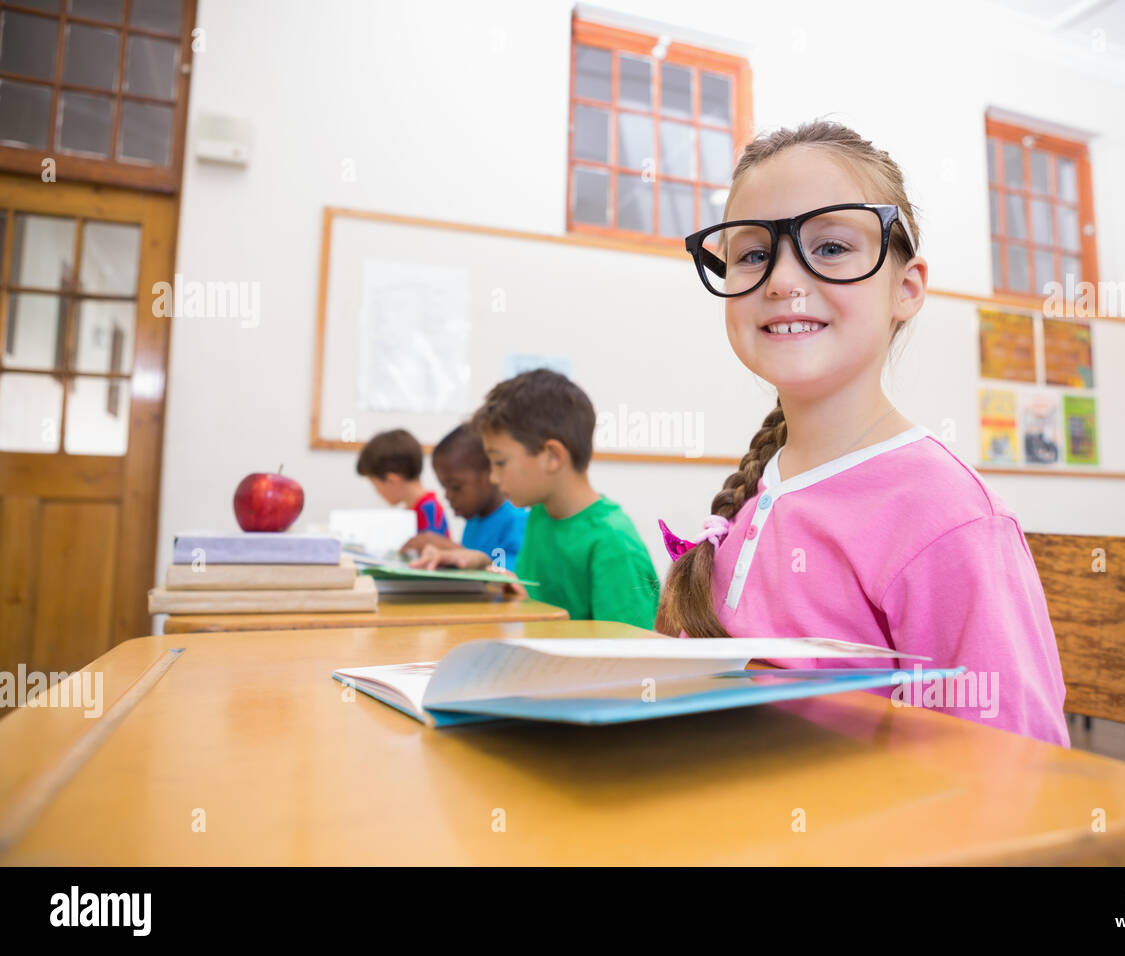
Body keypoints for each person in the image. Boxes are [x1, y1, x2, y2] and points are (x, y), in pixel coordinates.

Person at [656, 119, 1069, 747]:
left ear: (906, 289)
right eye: (753, 254)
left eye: (829, 247)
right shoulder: (759, 490)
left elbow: (1016, 765)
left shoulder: (946, 515)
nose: (782, 281)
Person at [413, 369, 660, 630]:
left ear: (552, 456)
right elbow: (540, 607)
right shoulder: (541, 516)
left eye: (500, 462)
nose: (494, 478)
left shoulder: (612, 542)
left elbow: (628, 656)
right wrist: (483, 565)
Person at [422, 423, 529, 572]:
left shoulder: (517, 520)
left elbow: (511, 577)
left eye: (455, 487)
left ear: (491, 473)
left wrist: (454, 549)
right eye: (444, 487)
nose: (447, 496)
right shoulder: (473, 521)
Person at [354, 428, 451, 547]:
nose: (377, 492)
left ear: (392, 480)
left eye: (375, 485)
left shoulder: (428, 510)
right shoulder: (413, 510)